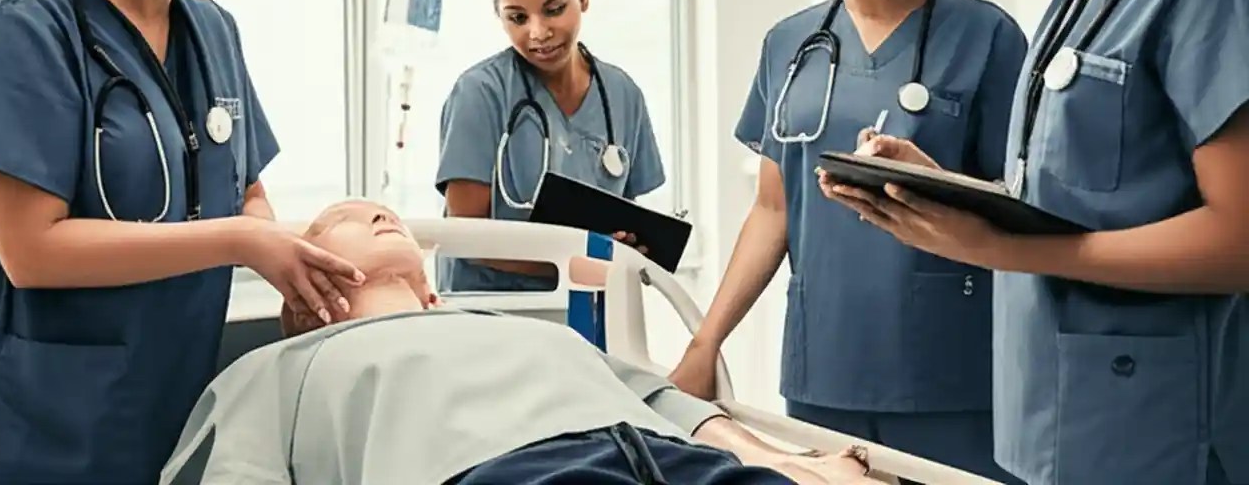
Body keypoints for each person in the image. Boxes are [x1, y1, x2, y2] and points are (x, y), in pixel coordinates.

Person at [820, 0, 1249, 484]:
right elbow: (1075, 193)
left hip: (1157, 434)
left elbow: (1240, 239)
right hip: (1052, 423)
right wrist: (945, 189)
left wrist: (1000, 249)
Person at [0, 0, 364, 483]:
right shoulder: (27, 34)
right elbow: (30, 251)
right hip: (48, 427)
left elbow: (246, 193)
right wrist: (242, 240)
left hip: (179, 411)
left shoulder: (213, 33)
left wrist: (295, 264)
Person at [669, 0, 1028, 484]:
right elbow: (773, 212)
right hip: (823, 370)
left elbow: (1019, 205)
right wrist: (705, 342)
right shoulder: (791, 45)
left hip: (950, 374)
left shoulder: (989, 39)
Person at [161, 199, 887, 485]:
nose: (379, 212)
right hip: (505, 472)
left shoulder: (511, 330)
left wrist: (789, 465)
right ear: (303, 293)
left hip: (668, 461)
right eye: (349, 216)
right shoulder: (286, 366)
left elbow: (664, 400)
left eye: (384, 211)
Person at [435, 0, 666, 292]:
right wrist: (574, 262)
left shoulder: (623, 95)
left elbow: (625, 223)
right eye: (518, 18)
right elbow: (464, 235)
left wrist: (626, 249)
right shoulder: (480, 93)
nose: (538, 33)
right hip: (490, 320)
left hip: (587, 319)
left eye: (554, 10)